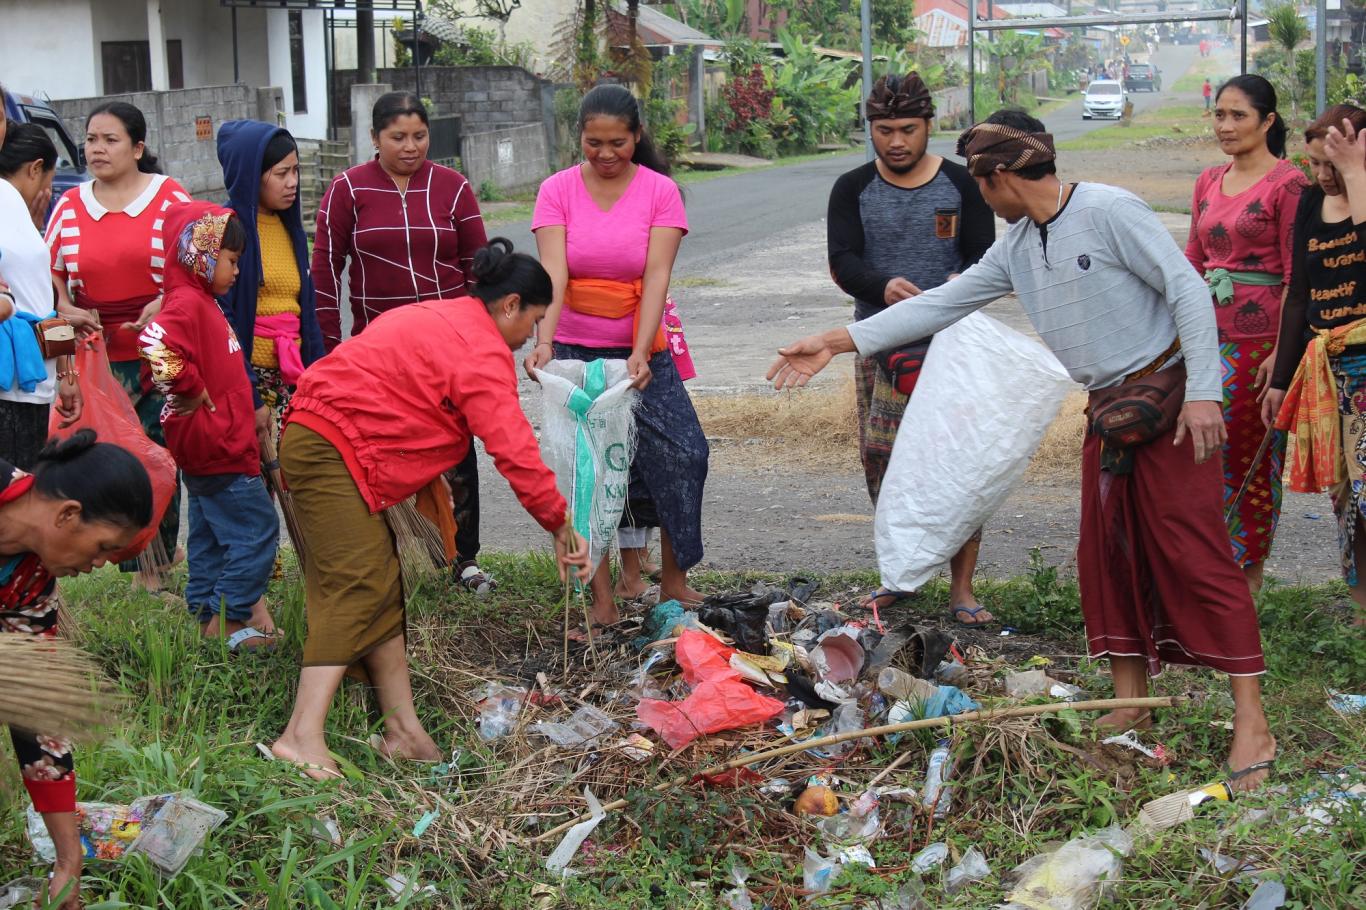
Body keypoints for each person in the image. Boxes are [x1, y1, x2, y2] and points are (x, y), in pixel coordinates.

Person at [768, 110, 1278, 792]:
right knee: (1108, 556)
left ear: (1000, 176)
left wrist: (1206, 393)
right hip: (1110, 413)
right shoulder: (1016, 247)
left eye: (981, 184)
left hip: (1173, 400)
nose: (981, 198)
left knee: (1198, 553)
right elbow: (941, 304)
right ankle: (1131, 702)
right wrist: (836, 341)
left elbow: (1185, 288)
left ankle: (1253, 721)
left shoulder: (1108, 210)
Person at [269, 239, 589, 779]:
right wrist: (558, 522)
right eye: (533, 321)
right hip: (330, 447)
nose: (530, 336)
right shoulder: (480, 347)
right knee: (357, 583)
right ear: (510, 305)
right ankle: (300, 736)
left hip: (328, 440)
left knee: (380, 583)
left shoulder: (442, 314)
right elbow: (513, 449)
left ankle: (404, 732)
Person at [523, 84, 708, 630]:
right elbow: (554, 271)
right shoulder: (556, 190)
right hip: (575, 351)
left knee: (685, 454)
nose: (606, 154)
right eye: (594, 143)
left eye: (618, 143)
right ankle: (601, 601)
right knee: (589, 471)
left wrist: (639, 351)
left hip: (640, 351)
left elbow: (656, 275)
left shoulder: (660, 192)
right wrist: (544, 341)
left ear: (637, 136)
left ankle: (673, 580)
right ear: (579, 137)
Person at [826, 73, 996, 625]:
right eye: (884, 131)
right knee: (883, 461)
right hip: (878, 346)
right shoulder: (851, 188)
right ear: (869, 130)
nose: (896, 141)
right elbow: (842, 262)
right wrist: (882, 287)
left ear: (929, 125)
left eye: (907, 129)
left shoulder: (962, 184)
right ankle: (899, 575)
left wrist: (958, 286)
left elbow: (984, 255)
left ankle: (962, 588)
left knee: (958, 463)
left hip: (952, 349)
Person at [312, 91, 494, 594]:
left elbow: (479, 268)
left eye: (419, 136)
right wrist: (328, 348)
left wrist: (477, 338)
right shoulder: (348, 189)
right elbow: (324, 272)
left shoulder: (453, 188)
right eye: (398, 137)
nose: (410, 147)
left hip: (447, 350)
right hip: (379, 353)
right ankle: (396, 555)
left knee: (456, 449)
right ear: (374, 138)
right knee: (384, 451)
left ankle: (463, 558)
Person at [0, 430, 154, 909]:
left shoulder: (31, 582)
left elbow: (37, 718)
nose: (100, 563)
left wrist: (69, 861)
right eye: (104, 546)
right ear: (68, 514)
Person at [44, 101, 191, 592]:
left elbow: (204, 266)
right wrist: (64, 305)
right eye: (91, 139)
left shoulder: (170, 196)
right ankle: (125, 560)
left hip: (161, 350)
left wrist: (166, 299)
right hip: (95, 357)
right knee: (111, 461)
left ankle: (157, 567)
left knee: (161, 454)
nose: (97, 149)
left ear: (138, 147)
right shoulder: (68, 205)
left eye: (110, 140)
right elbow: (47, 280)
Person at [1185, 75, 1309, 593]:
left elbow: (1296, 277)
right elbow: (1192, 260)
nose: (1226, 125)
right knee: (1197, 456)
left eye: (1238, 115)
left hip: (1259, 346)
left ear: (1267, 121)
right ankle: (1205, 574)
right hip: (1204, 339)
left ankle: (1247, 579)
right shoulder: (1208, 180)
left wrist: (1282, 353)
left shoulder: (1290, 184)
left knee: (1248, 457)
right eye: (1220, 114)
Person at [138, 202, 280, 652]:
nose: (237, 271)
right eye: (231, 260)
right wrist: (190, 387)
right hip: (219, 447)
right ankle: (229, 617)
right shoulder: (188, 304)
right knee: (258, 531)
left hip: (211, 447)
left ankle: (206, 618)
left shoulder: (203, 302)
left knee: (210, 537)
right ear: (199, 254)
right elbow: (153, 343)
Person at [1263, 106, 1366, 628]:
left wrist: (1357, 175)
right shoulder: (1308, 203)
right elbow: (1299, 296)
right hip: (1329, 370)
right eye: (1315, 164)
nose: (1323, 175)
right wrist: (1281, 381)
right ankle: (1361, 614)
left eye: (1333, 163)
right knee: (1346, 499)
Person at [216, 121, 324, 444]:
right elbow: (222, 320)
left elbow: (308, 314)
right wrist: (250, 395)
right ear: (251, 175)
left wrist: (320, 379)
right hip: (249, 381)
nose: (293, 182)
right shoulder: (224, 229)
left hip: (292, 377)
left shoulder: (291, 230)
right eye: (281, 173)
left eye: (296, 171)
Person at [0, 122, 81, 466]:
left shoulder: (18, 211)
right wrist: (67, 374)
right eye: (49, 179)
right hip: (14, 387)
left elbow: (42, 303)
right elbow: (39, 307)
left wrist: (66, 373)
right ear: (36, 169)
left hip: (30, 383)